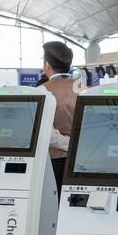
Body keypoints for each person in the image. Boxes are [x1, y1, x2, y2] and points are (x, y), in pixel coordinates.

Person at [39, 41, 77, 193]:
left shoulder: (42, 91)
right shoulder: (83, 89)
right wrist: (75, 145)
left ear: (47, 65)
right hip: (79, 159)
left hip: (53, 161)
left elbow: (46, 132)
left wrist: (68, 144)